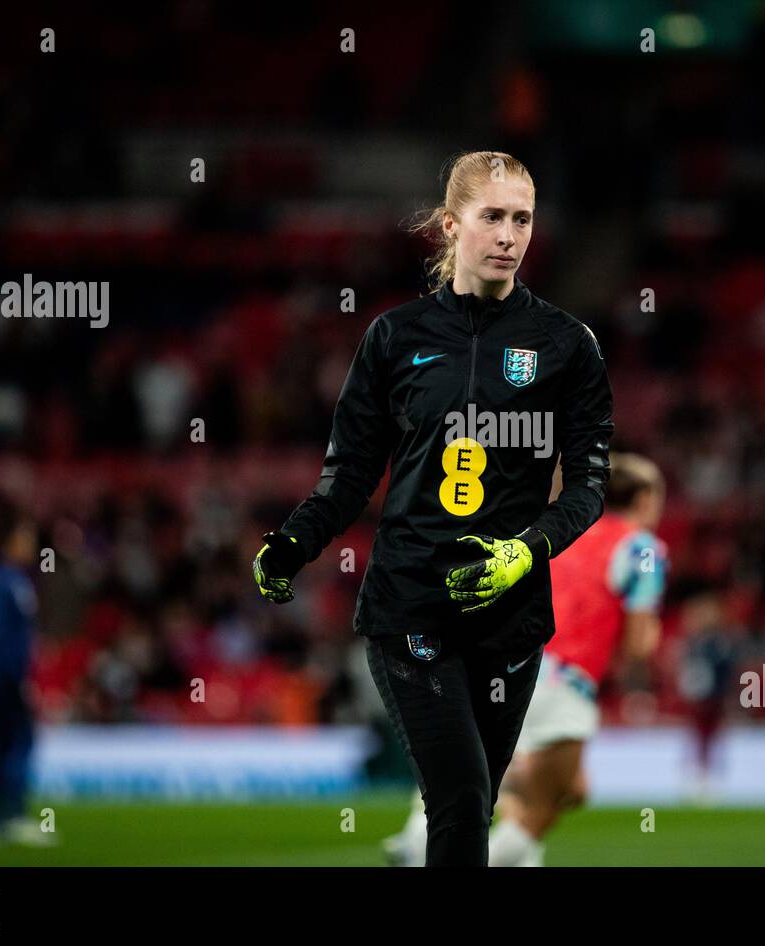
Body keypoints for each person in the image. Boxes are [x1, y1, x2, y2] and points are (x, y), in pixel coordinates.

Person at [253, 150, 613, 866]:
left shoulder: (567, 345)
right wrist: (295, 541)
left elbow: (589, 485)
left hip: (510, 618)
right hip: (410, 605)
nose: (510, 235)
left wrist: (525, 550)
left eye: (523, 219)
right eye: (493, 218)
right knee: (461, 800)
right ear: (452, 225)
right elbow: (350, 472)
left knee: (470, 808)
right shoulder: (395, 338)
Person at [383, 452, 667, 866]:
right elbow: (639, 645)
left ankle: (416, 836)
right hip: (562, 679)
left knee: (560, 785)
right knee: (543, 806)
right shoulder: (642, 548)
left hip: (503, 659)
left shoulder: (558, 528)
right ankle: (423, 853)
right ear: (643, 499)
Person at [0, 506, 54, 846]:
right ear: (7, 542)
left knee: (6, 746)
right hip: (4, 679)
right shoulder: (5, 581)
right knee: (19, 743)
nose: (32, 545)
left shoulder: (8, 580)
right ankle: (14, 816)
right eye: (25, 538)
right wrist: (17, 676)